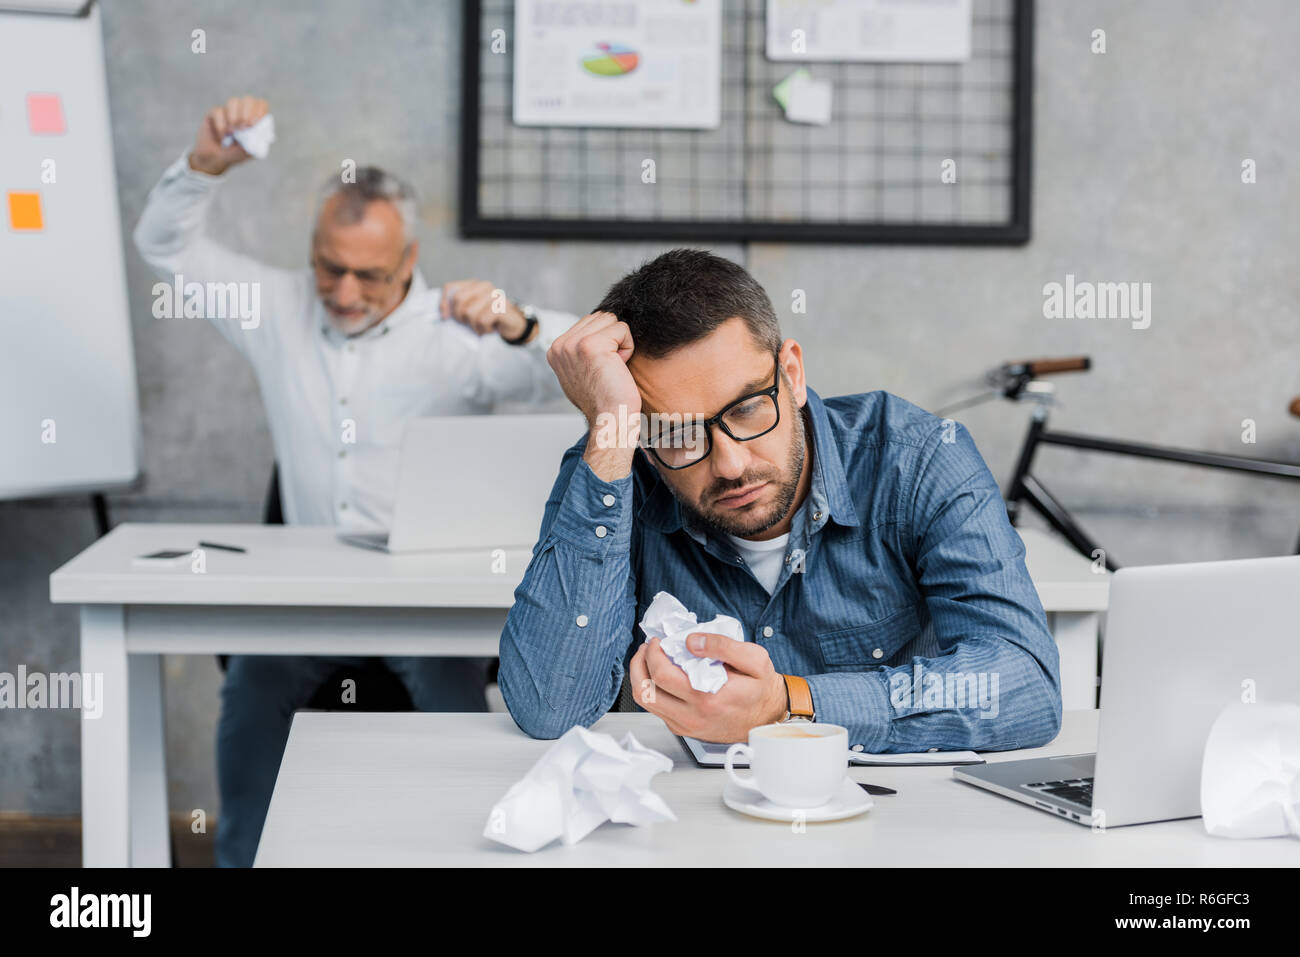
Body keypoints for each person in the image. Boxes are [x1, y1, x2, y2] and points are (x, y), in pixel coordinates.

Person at [133, 95, 577, 866]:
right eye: (328, 267)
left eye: (367, 275)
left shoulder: (458, 331)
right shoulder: (276, 308)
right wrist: (206, 162)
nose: (341, 292)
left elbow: (598, 362)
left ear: (409, 262)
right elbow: (164, 245)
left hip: (423, 604)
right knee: (247, 696)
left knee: (459, 716)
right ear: (311, 251)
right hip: (304, 602)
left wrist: (523, 325)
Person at [499, 248, 1061, 751]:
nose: (731, 464)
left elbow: (1023, 686)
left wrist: (786, 704)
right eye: (676, 434)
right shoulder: (615, 460)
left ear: (791, 372)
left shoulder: (919, 459)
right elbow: (551, 709)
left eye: (747, 409)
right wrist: (612, 433)